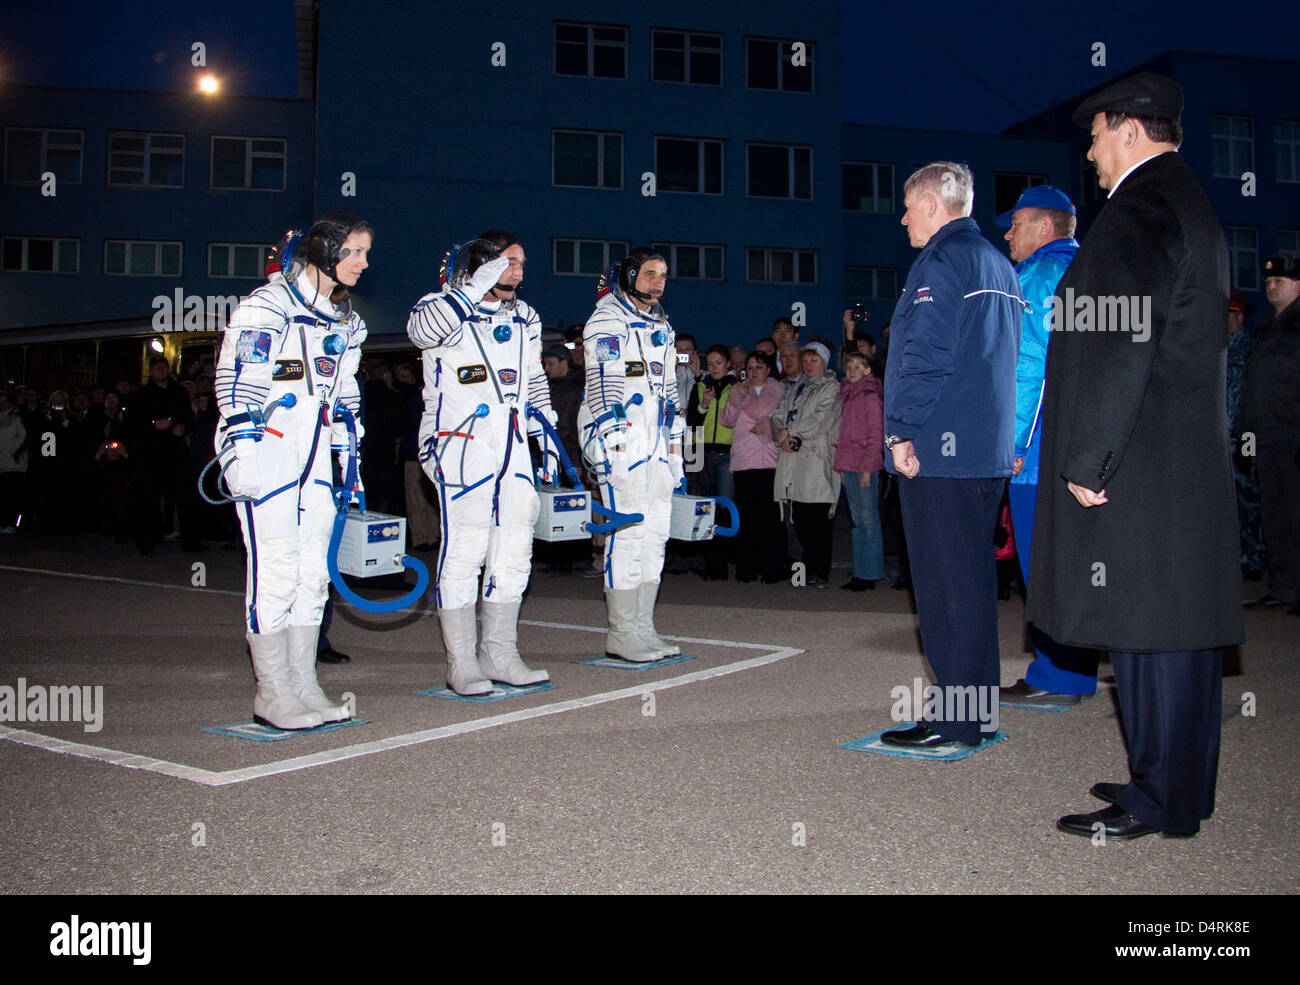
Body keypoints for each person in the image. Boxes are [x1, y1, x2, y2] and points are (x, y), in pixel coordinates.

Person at [1030, 73, 1244, 839]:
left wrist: (1091, 457)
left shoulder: (1141, 206)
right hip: (1175, 456)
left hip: (1140, 457)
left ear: (1127, 128)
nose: (1089, 151)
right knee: (1177, 632)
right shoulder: (1188, 200)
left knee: (1149, 632)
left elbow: (1121, 342)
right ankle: (1179, 785)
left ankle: (1157, 797)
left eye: (1095, 134)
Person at [880, 161, 1022, 749]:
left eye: (910, 206)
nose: (904, 217)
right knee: (970, 585)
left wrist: (900, 431)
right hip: (983, 450)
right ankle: (974, 712)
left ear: (935, 205)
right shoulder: (998, 263)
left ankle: (958, 721)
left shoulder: (940, 261)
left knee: (943, 590)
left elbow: (927, 357)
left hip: (941, 451)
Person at [214, 209, 370, 730]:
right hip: (270, 453)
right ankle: (272, 692)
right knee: (276, 570)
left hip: (315, 461)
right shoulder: (267, 306)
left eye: (366, 253)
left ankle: (304, 684)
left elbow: (344, 395)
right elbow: (237, 380)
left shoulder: (343, 320)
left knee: (311, 573)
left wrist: (351, 459)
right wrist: (242, 451)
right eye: (354, 252)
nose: (364, 263)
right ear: (325, 252)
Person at [407, 230, 555, 695]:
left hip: (510, 445)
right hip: (458, 442)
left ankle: (500, 653)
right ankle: (461, 662)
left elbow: (533, 379)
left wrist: (545, 433)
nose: (518, 272)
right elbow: (420, 333)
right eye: (508, 263)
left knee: (513, 547)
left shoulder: (526, 317)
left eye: (521, 264)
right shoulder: (442, 307)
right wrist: (471, 288)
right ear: (480, 266)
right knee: (466, 547)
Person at [990, 185, 1099, 707]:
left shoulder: (1038, 276)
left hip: (1039, 454)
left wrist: (1011, 442)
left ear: (1044, 228)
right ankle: (1074, 669)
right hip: (1085, 448)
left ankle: (1059, 675)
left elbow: (1029, 367)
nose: (1008, 234)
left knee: (1044, 564)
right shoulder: (1093, 268)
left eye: (1016, 224)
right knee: (1075, 563)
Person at [579, 247, 684, 662]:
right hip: (620, 436)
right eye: (649, 273)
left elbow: (671, 390)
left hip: (656, 438)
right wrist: (614, 439)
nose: (658, 281)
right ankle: (622, 632)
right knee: (630, 529)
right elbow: (603, 383)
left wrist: (678, 447)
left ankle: (644, 627)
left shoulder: (662, 324)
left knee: (656, 532)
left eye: (663, 274)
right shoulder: (607, 319)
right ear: (628, 276)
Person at [1239, 256, 1300, 614]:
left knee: (1295, 514)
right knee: (1274, 516)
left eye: (1279, 280)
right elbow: (1252, 385)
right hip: (1265, 434)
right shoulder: (1265, 327)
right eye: (1268, 281)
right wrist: (1246, 438)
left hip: (1293, 433)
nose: (1270, 285)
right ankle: (1284, 587)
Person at [772, 341, 842, 588]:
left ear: (824, 363)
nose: (809, 365)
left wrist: (789, 432)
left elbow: (820, 420)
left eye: (814, 360)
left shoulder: (831, 387)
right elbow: (778, 413)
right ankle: (807, 567)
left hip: (815, 459)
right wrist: (780, 433)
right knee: (798, 516)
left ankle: (819, 571)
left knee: (817, 518)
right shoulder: (796, 388)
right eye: (806, 360)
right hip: (792, 457)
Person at [720, 350, 787, 583]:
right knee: (747, 518)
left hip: (770, 460)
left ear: (769, 369)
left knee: (770, 518)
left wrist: (769, 425)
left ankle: (773, 569)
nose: (753, 372)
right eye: (749, 368)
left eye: (759, 367)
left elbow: (785, 420)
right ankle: (746, 568)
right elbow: (726, 421)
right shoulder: (738, 391)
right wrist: (736, 400)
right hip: (744, 462)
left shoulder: (780, 391)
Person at [123, 356, 197, 553]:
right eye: (156, 368)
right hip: (151, 453)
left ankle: (189, 542)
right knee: (148, 498)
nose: (161, 371)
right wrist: (153, 425)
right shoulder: (140, 395)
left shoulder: (179, 392)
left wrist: (183, 427)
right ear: (151, 371)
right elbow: (130, 425)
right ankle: (146, 542)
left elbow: (189, 419)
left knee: (184, 497)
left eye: (163, 367)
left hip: (176, 452)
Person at [832, 350, 884, 590]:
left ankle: (870, 572)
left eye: (857, 366)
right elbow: (843, 434)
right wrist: (841, 466)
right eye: (849, 366)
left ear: (867, 370)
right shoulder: (847, 395)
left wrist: (867, 467)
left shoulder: (871, 396)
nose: (851, 370)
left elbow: (875, 434)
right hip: (849, 463)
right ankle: (860, 570)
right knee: (857, 520)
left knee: (867, 520)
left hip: (864, 464)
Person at [686, 344, 737, 579]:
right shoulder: (700, 386)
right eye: (711, 363)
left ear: (728, 364)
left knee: (725, 508)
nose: (715, 367)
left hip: (728, 454)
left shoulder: (737, 388)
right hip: (704, 453)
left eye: (719, 362)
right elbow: (692, 422)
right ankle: (706, 562)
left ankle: (723, 562)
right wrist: (704, 404)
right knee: (705, 508)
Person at [1226, 296, 1264, 581]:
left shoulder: (1252, 348)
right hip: (1218, 440)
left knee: (1250, 500)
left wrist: (1248, 442)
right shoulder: (1216, 349)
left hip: (1244, 435)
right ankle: (1236, 557)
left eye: (1232, 312)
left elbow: (1254, 396)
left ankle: (1254, 557)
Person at [0, 390, 26, 533]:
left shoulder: (17, 418)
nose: (2, 405)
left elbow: (23, 438)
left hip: (12, 464)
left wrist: (14, 453)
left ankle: (11, 523)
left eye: (5, 402)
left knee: (11, 495)